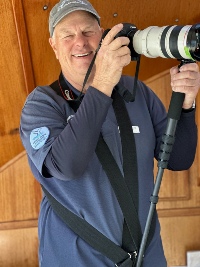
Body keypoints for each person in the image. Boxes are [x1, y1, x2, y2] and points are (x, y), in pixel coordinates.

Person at [20, 0, 200, 266]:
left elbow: (178, 159)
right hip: (76, 259)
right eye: (67, 35)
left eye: (88, 32)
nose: (80, 42)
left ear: (102, 35)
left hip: (146, 256)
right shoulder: (42, 105)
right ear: (54, 45)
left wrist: (187, 104)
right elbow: (66, 166)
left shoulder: (137, 92)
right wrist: (102, 81)